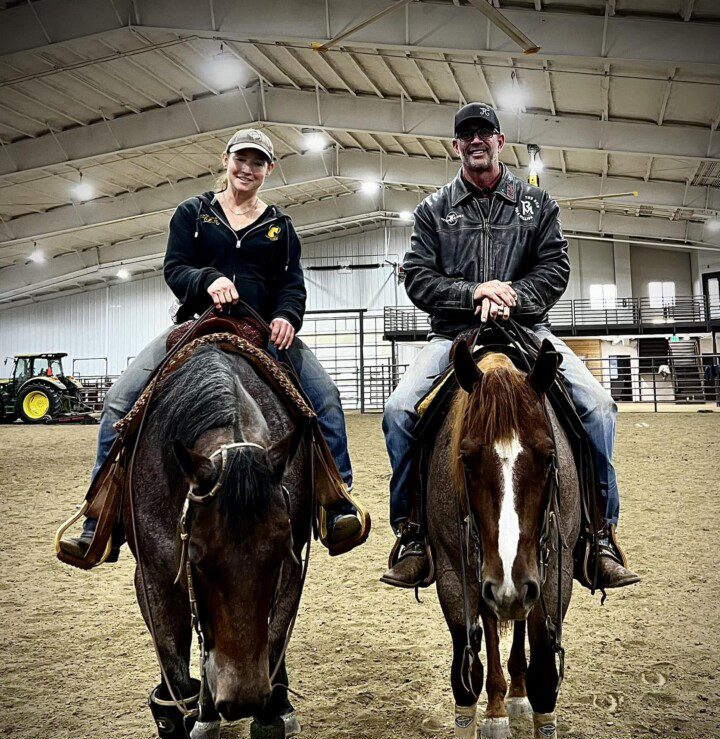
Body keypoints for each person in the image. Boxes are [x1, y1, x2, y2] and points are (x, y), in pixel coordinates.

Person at [61, 128, 363, 559]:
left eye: (258, 162)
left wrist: (286, 317)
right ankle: (100, 512)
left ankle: (335, 501)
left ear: (269, 170)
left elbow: (292, 285)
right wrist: (208, 279)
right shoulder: (193, 213)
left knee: (326, 398)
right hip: (196, 325)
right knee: (117, 401)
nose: (248, 168)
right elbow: (175, 268)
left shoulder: (281, 225)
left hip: (262, 329)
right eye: (242, 159)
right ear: (226, 160)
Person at [381, 102, 639, 591]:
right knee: (397, 411)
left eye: (486, 133)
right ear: (456, 146)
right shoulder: (434, 210)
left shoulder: (535, 204)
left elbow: (554, 267)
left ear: (500, 142)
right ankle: (412, 532)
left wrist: (515, 297)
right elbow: (417, 276)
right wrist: (472, 293)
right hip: (454, 335)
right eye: (467, 135)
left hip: (528, 329)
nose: (476, 141)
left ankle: (599, 534)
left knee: (600, 408)